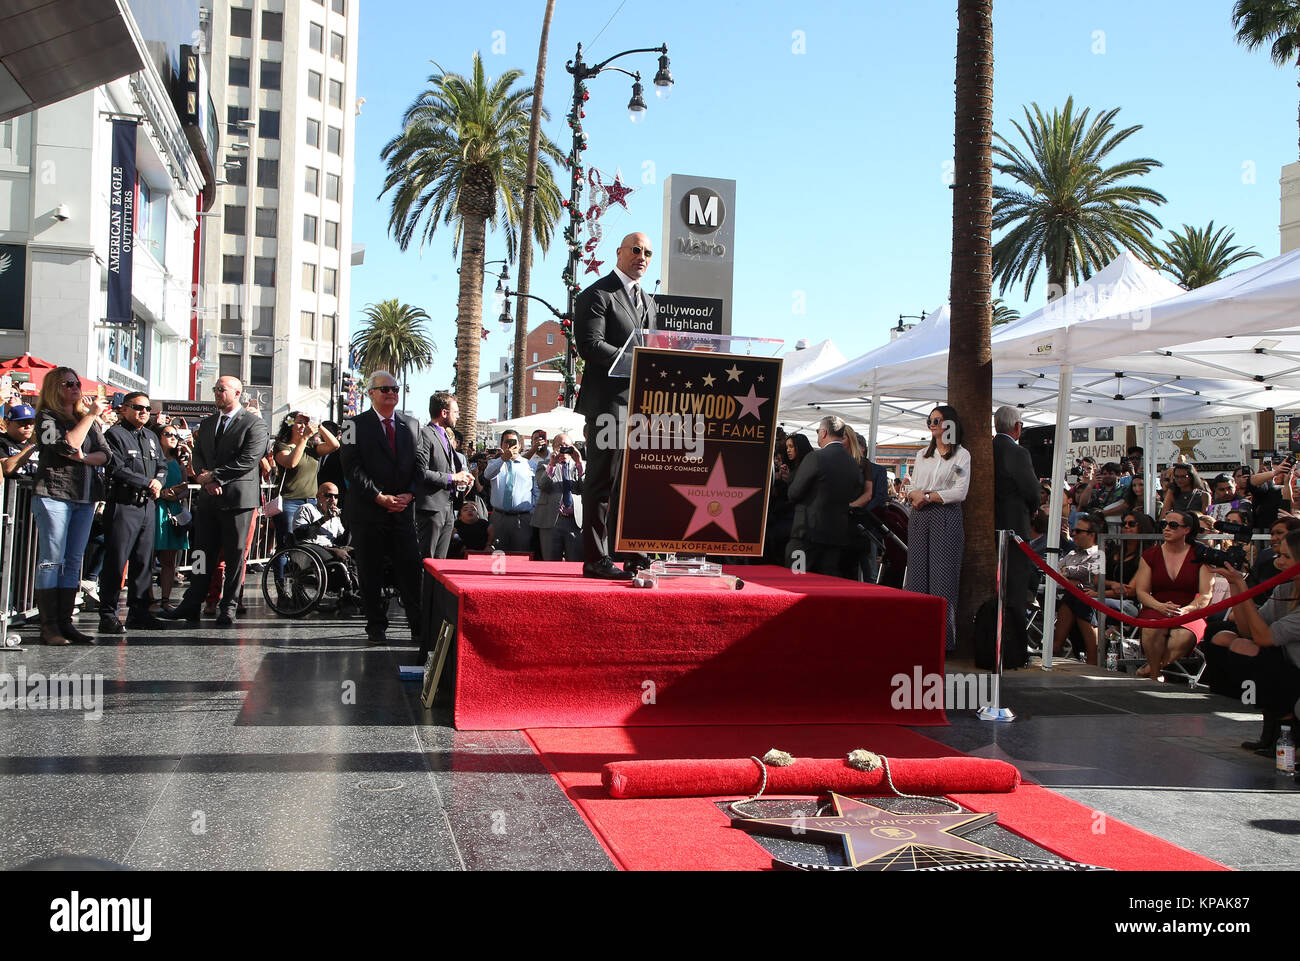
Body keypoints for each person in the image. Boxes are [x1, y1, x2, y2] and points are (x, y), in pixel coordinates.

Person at [574, 230, 657, 580]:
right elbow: (590, 346)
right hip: (607, 407)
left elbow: (654, 349)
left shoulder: (650, 302)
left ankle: (636, 555)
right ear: (620, 252)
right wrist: (637, 360)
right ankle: (596, 559)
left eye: (649, 253)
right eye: (636, 250)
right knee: (602, 483)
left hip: (642, 408)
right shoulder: (597, 294)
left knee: (635, 485)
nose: (642, 257)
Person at [163, 376, 269, 627]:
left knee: (235, 556)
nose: (217, 393)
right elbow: (198, 454)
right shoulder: (209, 423)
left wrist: (216, 477)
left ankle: (228, 606)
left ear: (237, 393)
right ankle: (192, 602)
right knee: (201, 552)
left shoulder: (254, 424)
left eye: (222, 389)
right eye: (216, 389)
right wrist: (203, 477)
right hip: (209, 498)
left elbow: (249, 459)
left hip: (238, 500)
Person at [338, 370, 426, 645]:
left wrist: (408, 495)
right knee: (370, 572)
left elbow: (421, 465)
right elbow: (351, 468)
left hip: (402, 512)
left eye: (395, 389)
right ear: (371, 393)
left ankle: (418, 627)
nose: (391, 393)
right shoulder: (353, 425)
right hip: (368, 513)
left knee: (410, 571)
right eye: (385, 389)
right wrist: (378, 497)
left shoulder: (412, 424)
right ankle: (376, 626)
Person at [29, 369, 110, 645]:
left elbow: (105, 454)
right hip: (54, 493)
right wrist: (89, 416)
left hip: (84, 496)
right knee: (52, 560)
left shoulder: (85, 419)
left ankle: (65, 622)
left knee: (74, 560)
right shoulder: (46, 417)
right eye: (69, 384)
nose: (76, 388)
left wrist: (84, 457)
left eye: (77, 384)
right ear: (55, 387)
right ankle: (48, 625)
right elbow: (65, 446)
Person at [97, 392, 168, 634]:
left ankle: (139, 612)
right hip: (124, 505)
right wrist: (148, 482)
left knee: (143, 562)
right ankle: (108, 614)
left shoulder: (150, 436)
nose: (143, 412)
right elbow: (116, 468)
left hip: (147, 505)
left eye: (147, 408)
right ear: (124, 409)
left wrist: (157, 481)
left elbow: (161, 465)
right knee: (116, 562)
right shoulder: (114, 435)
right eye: (137, 407)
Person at [904, 405, 971, 652]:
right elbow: (910, 487)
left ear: (950, 424)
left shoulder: (962, 456)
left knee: (943, 580)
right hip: (920, 515)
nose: (932, 424)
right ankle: (916, 636)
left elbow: (959, 491)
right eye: (930, 420)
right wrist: (915, 495)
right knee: (917, 578)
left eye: (937, 420)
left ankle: (942, 642)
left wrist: (928, 496)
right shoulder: (923, 454)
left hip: (945, 516)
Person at [1133, 509, 1213, 680]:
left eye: (1173, 525)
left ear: (1187, 530)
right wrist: (1159, 606)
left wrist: (1187, 610)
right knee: (1151, 629)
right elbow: (1141, 591)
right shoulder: (1151, 555)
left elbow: (1206, 595)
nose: (1166, 529)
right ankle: (1154, 676)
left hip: (1190, 610)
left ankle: (1152, 668)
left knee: (1182, 636)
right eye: (1164, 524)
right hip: (1156, 606)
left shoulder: (1200, 555)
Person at [785, 415, 864, 578]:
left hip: (806, 534)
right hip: (836, 537)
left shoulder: (815, 457)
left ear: (823, 432)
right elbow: (856, 492)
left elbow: (794, 493)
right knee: (825, 588)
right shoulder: (852, 463)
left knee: (795, 582)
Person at [991, 406, 1040, 668]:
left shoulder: (985, 449)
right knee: (1015, 591)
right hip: (1013, 529)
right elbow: (1032, 491)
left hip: (990, 527)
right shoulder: (1017, 452)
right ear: (1017, 427)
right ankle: (1015, 650)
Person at [417, 392, 474, 561]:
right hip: (431, 509)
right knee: (428, 561)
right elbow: (421, 472)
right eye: (455, 412)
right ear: (444, 413)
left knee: (440, 563)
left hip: (448, 508)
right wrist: (453, 478)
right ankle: (424, 589)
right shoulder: (426, 434)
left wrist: (462, 479)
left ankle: (435, 589)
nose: (458, 416)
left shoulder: (445, 436)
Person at [272, 411, 340, 551]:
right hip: (289, 501)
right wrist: (304, 438)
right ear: (290, 425)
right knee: (287, 542)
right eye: (299, 422)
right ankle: (280, 573)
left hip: (311, 501)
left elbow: (334, 445)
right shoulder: (282, 446)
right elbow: (291, 462)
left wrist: (318, 425)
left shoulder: (312, 448)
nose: (303, 426)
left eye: (305, 423)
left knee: (310, 540)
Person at [153, 420, 194, 613]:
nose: (173, 438)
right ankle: (148, 598)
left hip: (174, 511)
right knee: (147, 557)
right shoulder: (153, 459)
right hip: (155, 508)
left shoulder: (179, 462)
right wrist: (161, 493)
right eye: (168, 434)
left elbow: (186, 486)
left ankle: (165, 599)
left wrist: (177, 494)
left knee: (169, 560)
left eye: (176, 435)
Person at [1053, 512, 1106, 663]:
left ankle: (1056, 647)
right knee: (1074, 595)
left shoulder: (1099, 554)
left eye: (1078, 531)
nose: (1073, 534)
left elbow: (1083, 572)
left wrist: (1066, 574)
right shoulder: (1071, 553)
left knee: (1077, 597)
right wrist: (1069, 579)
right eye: (1073, 530)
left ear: (1092, 535)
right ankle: (1058, 647)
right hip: (1067, 596)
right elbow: (1054, 570)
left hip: (1090, 598)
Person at [482, 430, 538, 553]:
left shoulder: (530, 465)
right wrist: (502, 459)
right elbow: (487, 475)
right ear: (501, 445)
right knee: (497, 557)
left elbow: (536, 492)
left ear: (520, 445)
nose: (510, 445)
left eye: (513, 442)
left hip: (522, 519)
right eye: (507, 442)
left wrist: (532, 513)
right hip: (499, 518)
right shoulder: (494, 463)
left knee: (521, 555)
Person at [534, 432, 584, 561]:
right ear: (553, 447)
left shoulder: (581, 466)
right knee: (550, 562)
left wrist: (578, 462)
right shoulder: (544, 465)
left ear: (573, 447)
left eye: (567, 445)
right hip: (551, 521)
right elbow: (542, 485)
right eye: (559, 445)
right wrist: (552, 464)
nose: (563, 448)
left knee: (575, 562)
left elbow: (586, 488)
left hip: (575, 522)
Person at [0, 404, 38, 478]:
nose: (28, 426)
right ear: (8, 423)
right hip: (13, 487)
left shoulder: (39, 445)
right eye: (23, 422)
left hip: (35, 488)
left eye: (31, 422)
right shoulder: (2, 441)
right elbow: (7, 469)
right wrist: (31, 447)